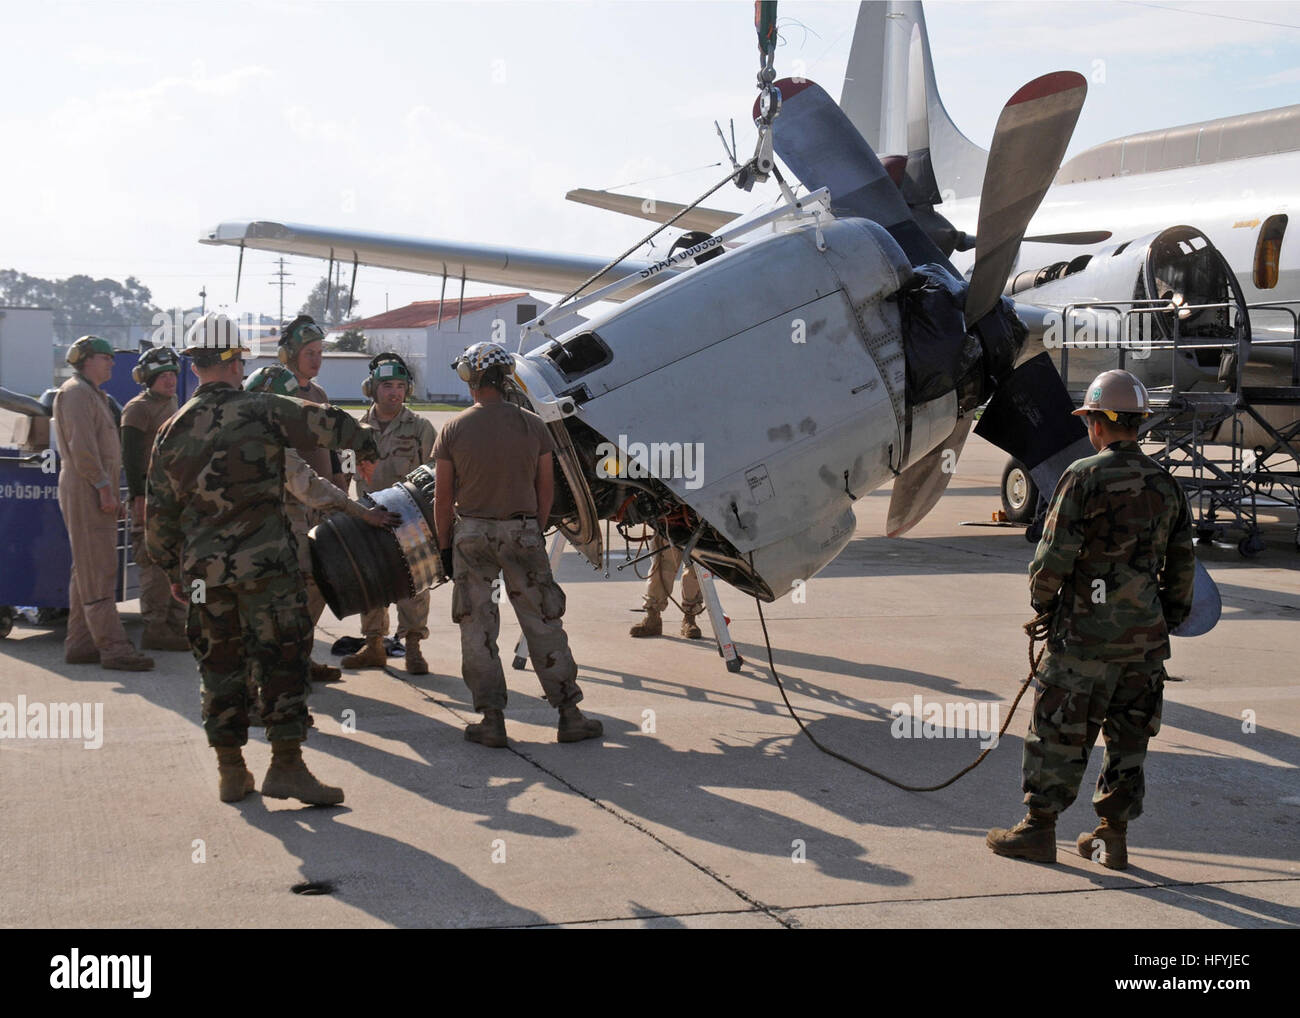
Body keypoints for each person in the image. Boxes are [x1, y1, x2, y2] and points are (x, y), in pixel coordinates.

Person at [147, 313, 380, 805]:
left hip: (203, 577)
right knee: (282, 662)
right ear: (233, 361)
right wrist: (367, 444)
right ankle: (286, 767)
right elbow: (331, 424)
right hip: (268, 569)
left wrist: (172, 570)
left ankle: (231, 771)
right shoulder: (261, 408)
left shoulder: (171, 429)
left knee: (220, 667)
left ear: (194, 366)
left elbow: (160, 515)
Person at [986, 369, 1196, 870]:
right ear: (1138, 424)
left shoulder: (1083, 475)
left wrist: (1044, 603)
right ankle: (1112, 837)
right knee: (1129, 738)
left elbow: (1053, 554)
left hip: (1083, 638)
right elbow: (1183, 565)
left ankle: (1039, 830)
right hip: (1144, 643)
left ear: (1097, 423)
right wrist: (1162, 619)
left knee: (1057, 732)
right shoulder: (1166, 485)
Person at [432, 341, 601, 747]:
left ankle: (491, 720)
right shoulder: (533, 426)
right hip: (523, 531)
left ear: (473, 380)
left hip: (471, 535)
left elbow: (441, 498)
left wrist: (444, 549)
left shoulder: (454, 429)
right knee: (542, 621)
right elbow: (546, 488)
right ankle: (569, 714)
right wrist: (532, 529)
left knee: (477, 627)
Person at [244, 364, 401, 684]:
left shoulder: (313, 400)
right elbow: (306, 482)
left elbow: (331, 453)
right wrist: (357, 509)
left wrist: (343, 479)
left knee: (305, 588)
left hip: (285, 523)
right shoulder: (266, 437)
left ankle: (297, 662)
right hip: (275, 532)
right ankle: (274, 683)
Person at [54, 335, 154, 671]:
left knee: (86, 568)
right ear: (85, 360)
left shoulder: (90, 393)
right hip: (86, 489)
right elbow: (82, 447)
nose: (112, 362)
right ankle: (114, 649)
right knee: (98, 571)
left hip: (93, 488)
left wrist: (108, 488)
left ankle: (81, 644)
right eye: (105, 356)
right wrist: (103, 488)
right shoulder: (76, 394)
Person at [341, 353, 437, 675]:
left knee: (414, 586)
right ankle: (374, 646)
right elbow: (343, 475)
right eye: (387, 386)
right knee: (370, 585)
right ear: (372, 389)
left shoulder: (420, 428)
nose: (394, 392)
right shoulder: (354, 431)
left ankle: (413, 647)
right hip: (367, 518)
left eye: (400, 386)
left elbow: (436, 475)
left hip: (409, 520)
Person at [277, 314, 347, 682]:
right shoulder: (275, 390)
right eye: (309, 352)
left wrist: (339, 482)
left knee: (318, 579)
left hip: (320, 502)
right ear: (289, 353)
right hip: (288, 505)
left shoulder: (318, 395)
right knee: (292, 583)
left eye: (320, 352)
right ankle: (285, 663)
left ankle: (301, 655)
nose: (316, 359)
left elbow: (333, 445)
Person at [121, 346, 188, 653]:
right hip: (149, 499)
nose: (170, 380)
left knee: (180, 564)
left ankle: (177, 625)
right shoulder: (137, 409)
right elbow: (131, 458)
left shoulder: (174, 403)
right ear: (148, 378)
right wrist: (137, 496)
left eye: (173, 374)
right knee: (154, 567)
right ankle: (155, 628)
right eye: (163, 375)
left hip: (175, 499)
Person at [628, 534, 706, 639]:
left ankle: (689, 618)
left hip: (696, 523)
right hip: (668, 524)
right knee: (663, 566)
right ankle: (653, 618)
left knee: (694, 570)